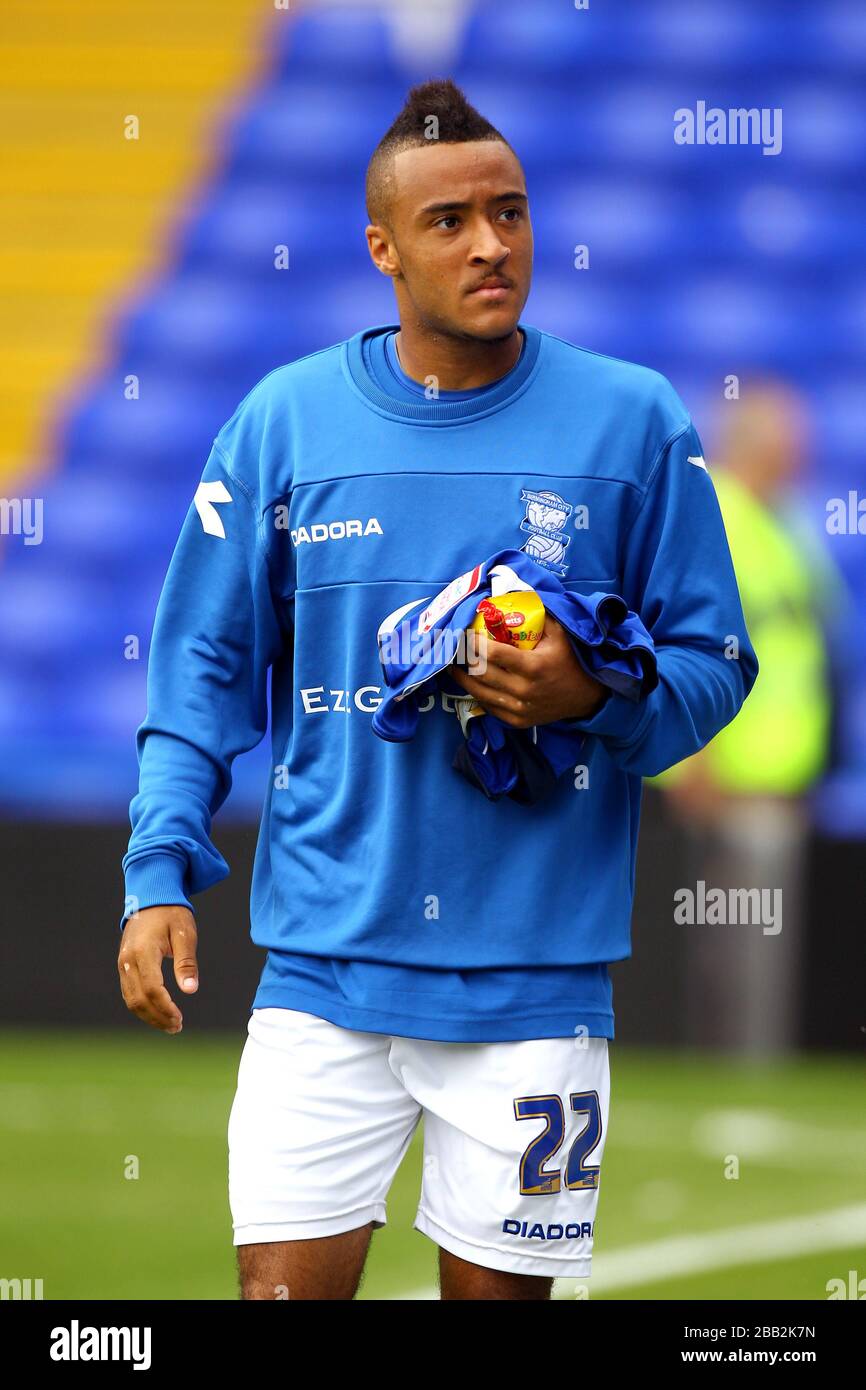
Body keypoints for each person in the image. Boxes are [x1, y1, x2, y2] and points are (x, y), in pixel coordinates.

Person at [117, 79, 757, 1301]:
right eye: (451, 221)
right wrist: (158, 872)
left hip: (534, 984)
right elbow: (200, 667)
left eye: (510, 214)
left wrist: (586, 695)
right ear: (382, 249)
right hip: (321, 974)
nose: (491, 245)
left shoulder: (632, 422)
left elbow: (714, 667)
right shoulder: (281, 425)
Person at [657, 383, 834, 1054]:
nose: (803, 446)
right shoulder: (718, 514)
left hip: (776, 780)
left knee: (757, 946)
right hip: (725, 778)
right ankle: (722, 1079)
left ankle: (745, 1071)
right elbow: (681, 636)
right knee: (726, 948)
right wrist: (692, 757)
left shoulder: (784, 522)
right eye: (789, 432)